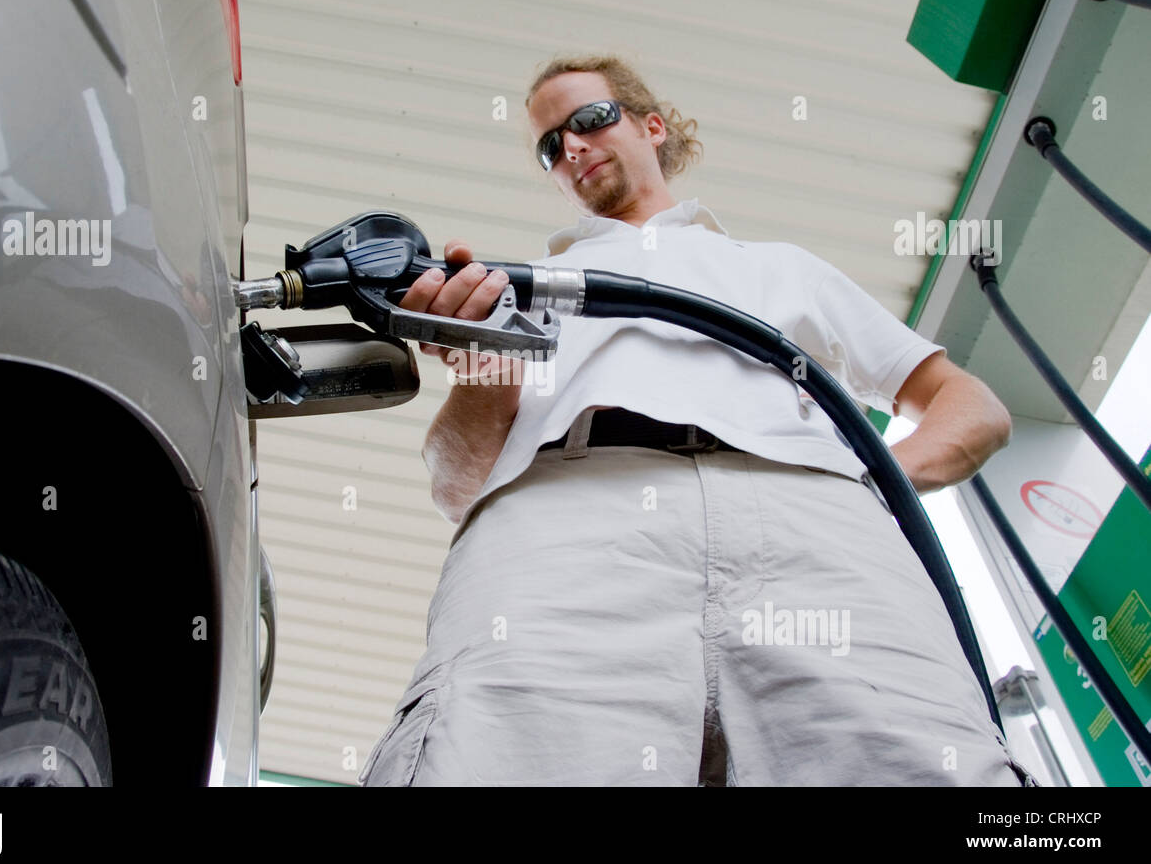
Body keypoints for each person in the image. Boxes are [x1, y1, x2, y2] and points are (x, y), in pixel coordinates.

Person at [358, 54, 1038, 786]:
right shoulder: (513, 292)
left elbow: (973, 408)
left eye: (589, 120)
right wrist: (487, 359)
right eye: (550, 145)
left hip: (812, 524)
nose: (572, 148)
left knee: (910, 756)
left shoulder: (780, 266)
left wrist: (867, 485)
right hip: (567, 521)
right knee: (499, 752)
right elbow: (459, 488)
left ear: (654, 126)